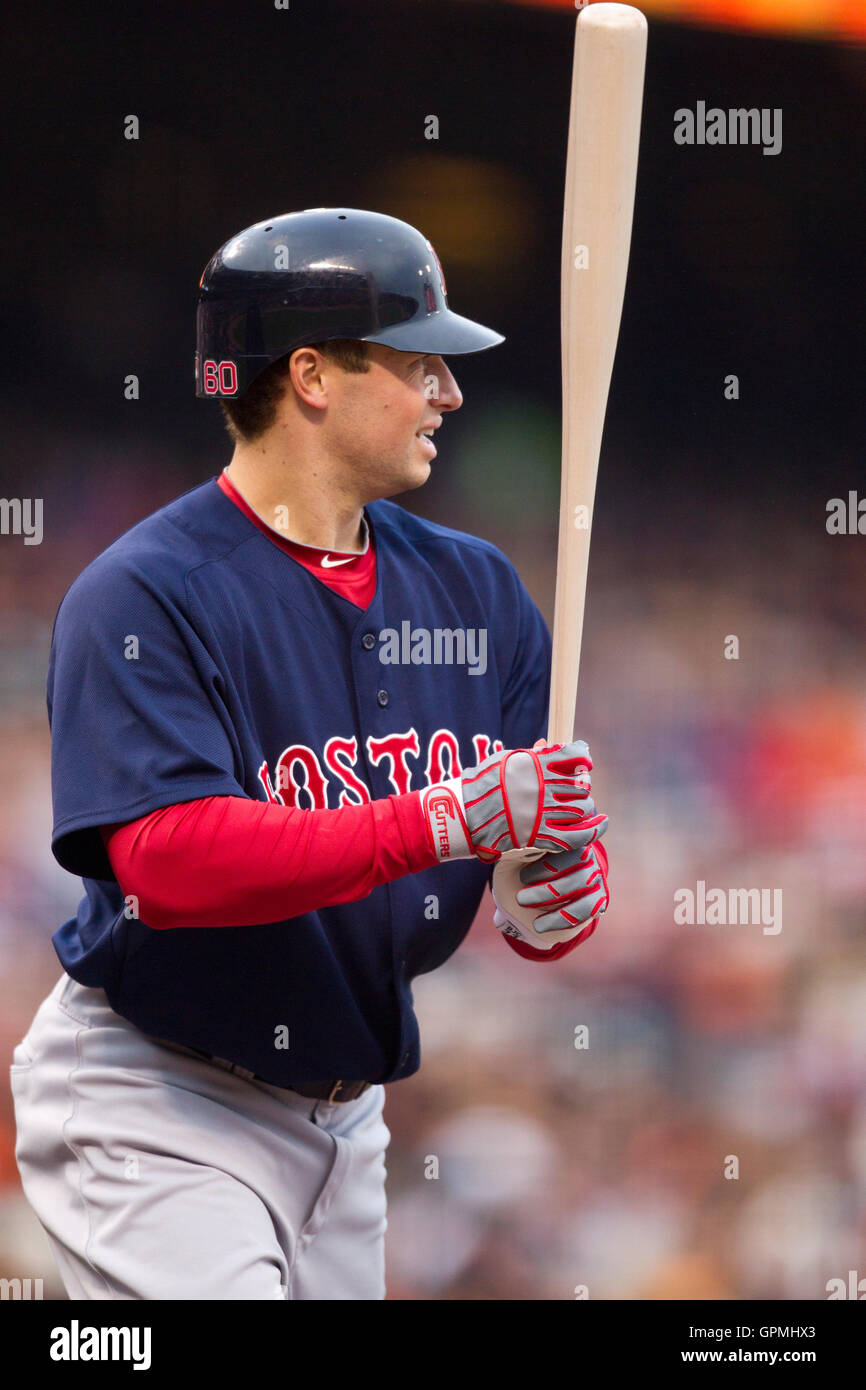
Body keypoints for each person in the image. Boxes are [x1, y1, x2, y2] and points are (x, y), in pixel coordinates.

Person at [11, 208, 609, 1300]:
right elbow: (170, 860)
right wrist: (446, 820)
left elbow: (510, 849)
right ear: (311, 375)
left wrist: (541, 887)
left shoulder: (478, 593)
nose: (450, 393)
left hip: (352, 1117)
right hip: (161, 1096)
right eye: (419, 361)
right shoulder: (146, 594)